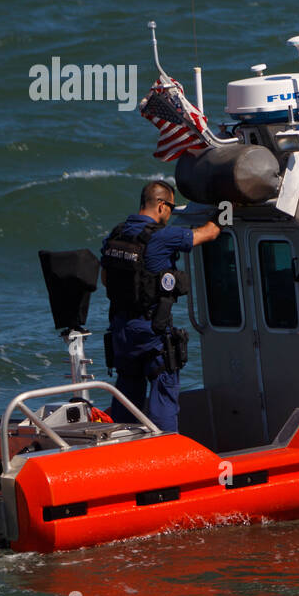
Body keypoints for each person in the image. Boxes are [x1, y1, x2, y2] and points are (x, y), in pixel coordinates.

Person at [100, 181, 220, 432]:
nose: (170, 214)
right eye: (172, 208)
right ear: (162, 206)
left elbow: (105, 279)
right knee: (163, 391)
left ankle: (122, 447)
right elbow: (209, 233)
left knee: (127, 396)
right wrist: (227, 207)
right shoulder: (163, 236)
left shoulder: (116, 235)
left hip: (121, 331)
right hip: (151, 331)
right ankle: (166, 447)